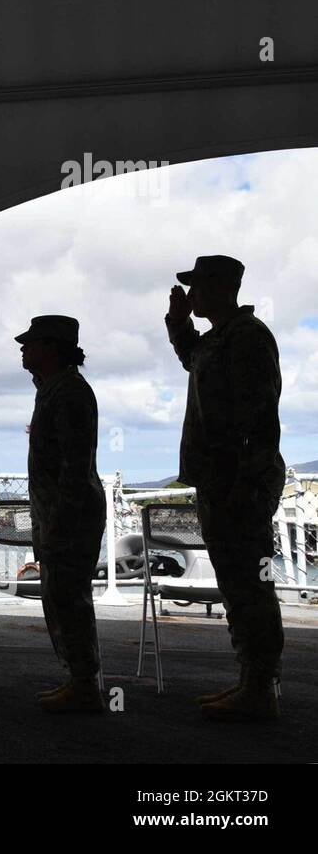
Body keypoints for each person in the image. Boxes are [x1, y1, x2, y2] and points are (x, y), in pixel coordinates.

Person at [166, 255, 284, 721]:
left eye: (195, 286)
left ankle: (260, 686)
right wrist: (177, 326)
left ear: (218, 287)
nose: (190, 295)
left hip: (239, 484)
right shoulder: (220, 339)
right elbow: (193, 358)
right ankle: (252, 682)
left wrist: (247, 486)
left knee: (250, 587)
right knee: (238, 587)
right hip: (222, 481)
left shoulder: (248, 337)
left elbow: (261, 420)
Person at [16, 315, 107, 713]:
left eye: (32, 343)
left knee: (68, 598)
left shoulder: (68, 393)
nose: (23, 349)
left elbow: (75, 465)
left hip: (68, 514)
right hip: (59, 512)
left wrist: (59, 521)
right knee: (60, 596)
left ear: (52, 348)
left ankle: (84, 683)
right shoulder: (54, 390)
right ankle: (79, 679)